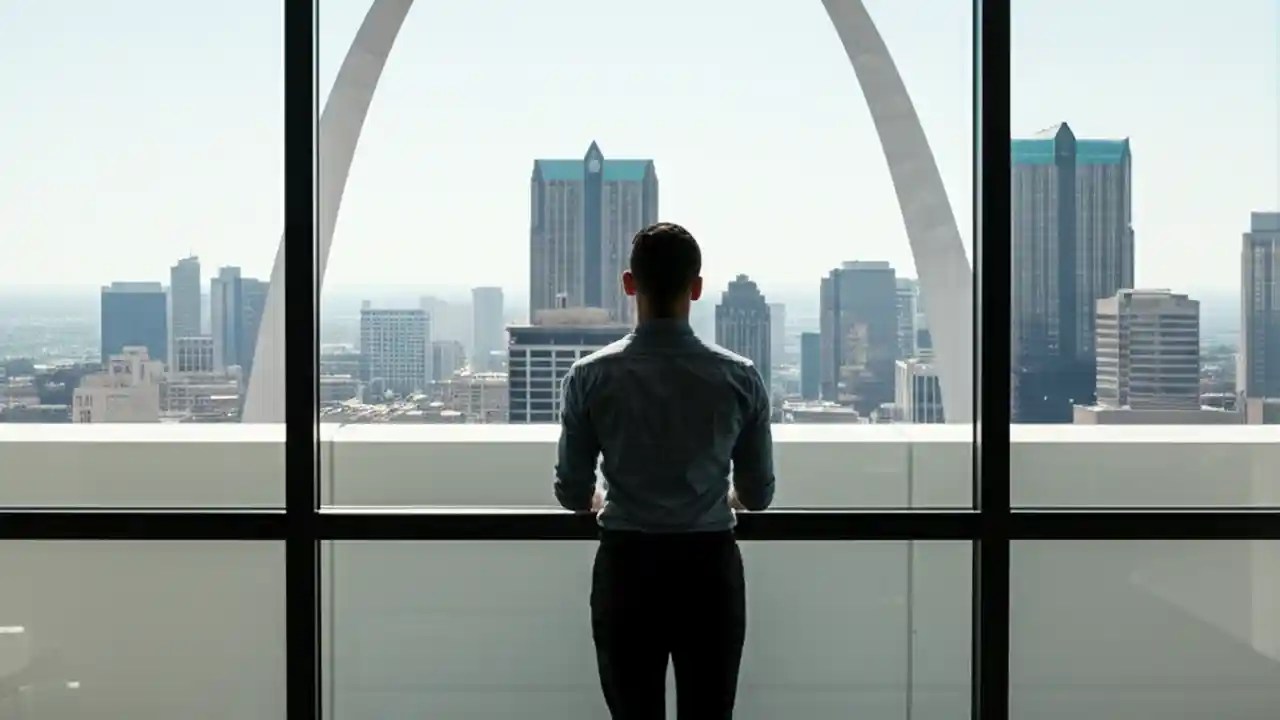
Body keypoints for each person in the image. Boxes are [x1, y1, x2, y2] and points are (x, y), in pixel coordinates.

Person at [554, 222, 776, 719]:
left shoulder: (589, 376)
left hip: (627, 568)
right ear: (696, 288)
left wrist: (601, 500)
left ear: (629, 284)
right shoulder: (739, 376)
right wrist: (724, 498)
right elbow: (758, 495)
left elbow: (572, 492)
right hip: (709, 569)